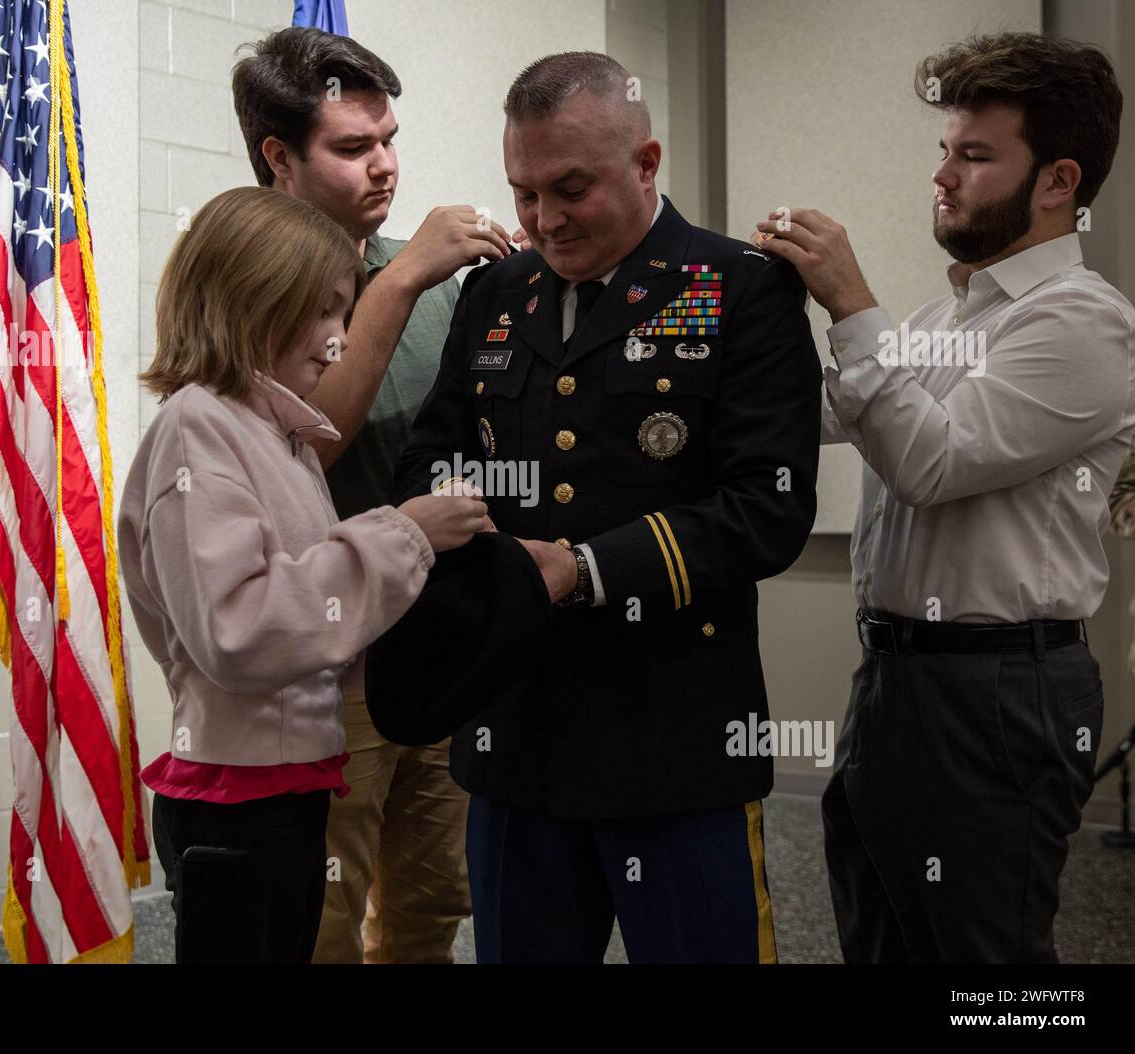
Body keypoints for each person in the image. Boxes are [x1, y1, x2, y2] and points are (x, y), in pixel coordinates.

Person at [395, 52, 823, 964]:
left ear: (646, 161)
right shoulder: (496, 291)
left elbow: (766, 509)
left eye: (571, 187)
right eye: (522, 193)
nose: (545, 219)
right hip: (516, 736)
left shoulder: (739, 287)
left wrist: (583, 571)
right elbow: (432, 452)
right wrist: (462, 511)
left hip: (672, 739)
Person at [754, 31, 1133, 962]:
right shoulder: (941, 321)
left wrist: (849, 303)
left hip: (1001, 691)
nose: (944, 176)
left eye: (974, 155)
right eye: (943, 152)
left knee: (985, 965)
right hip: (897, 677)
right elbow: (822, 416)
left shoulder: (1086, 324)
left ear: (1056, 182)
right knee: (880, 936)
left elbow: (930, 462)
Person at [116, 187, 487, 963]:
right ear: (250, 304)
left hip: (285, 782)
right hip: (238, 802)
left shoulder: (269, 434)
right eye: (320, 315)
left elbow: (298, 588)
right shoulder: (199, 431)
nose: (337, 343)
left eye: (341, 316)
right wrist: (403, 534)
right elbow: (241, 630)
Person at [232, 27, 513, 965]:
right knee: (321, 918)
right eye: (353, 148)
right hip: (324, 661)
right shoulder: (241, 275)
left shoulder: (421, 272)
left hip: (439, 640)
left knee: (435, 903)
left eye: (389, 137)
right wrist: (396, 283)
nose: (386, 165)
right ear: (280, 156)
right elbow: (305, 446)